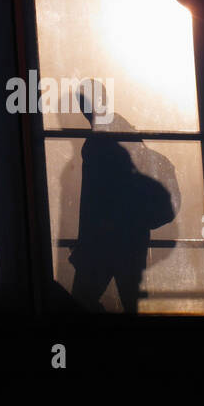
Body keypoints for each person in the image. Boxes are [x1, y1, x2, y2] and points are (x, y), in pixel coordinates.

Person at [67, 81, 177, 313]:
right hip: (129, 237)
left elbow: (97, 200)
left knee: (81, 302)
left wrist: (86, 240)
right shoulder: (120, 131)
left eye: (83, 102)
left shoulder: (100, 139)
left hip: (104, 240)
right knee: (130, 302)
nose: (82, 109)